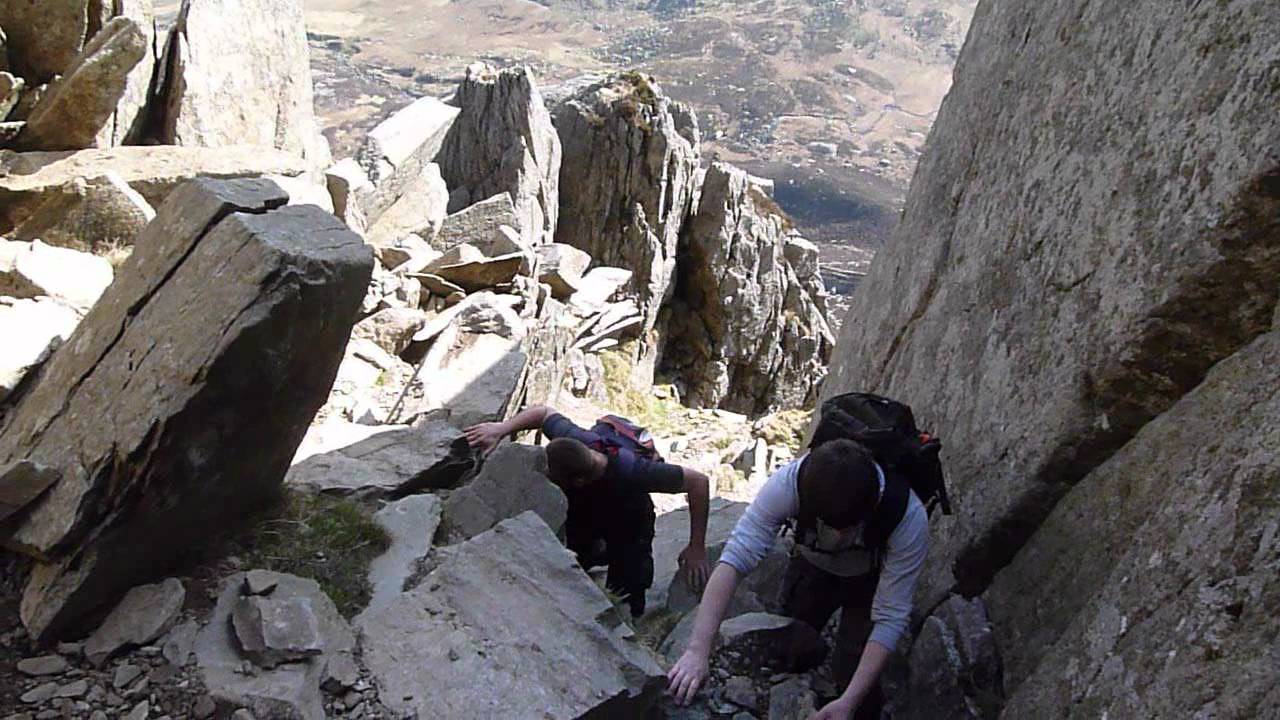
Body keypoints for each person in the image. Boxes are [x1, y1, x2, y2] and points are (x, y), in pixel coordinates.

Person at [666, 438, 929, 720]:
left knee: (852, 660)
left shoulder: (906, 517)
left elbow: (890, 616)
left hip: (870, 579)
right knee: (790, 643)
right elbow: (735, 559)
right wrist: (697, 651)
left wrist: (849, 702)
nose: (838, 537)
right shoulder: (786, 485)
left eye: (847, 530)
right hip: (810, 566)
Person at [465, 404, 711, 616]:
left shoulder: (636, 472)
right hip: (588, 506)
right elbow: (543, 413)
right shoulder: (577, 440)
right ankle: (588, 558)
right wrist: (501, 428)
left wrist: (696, 547)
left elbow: (698, 482)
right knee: (573, 550)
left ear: (578, 480)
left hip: (630, 519)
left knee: (628, 581)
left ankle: (630, 617)